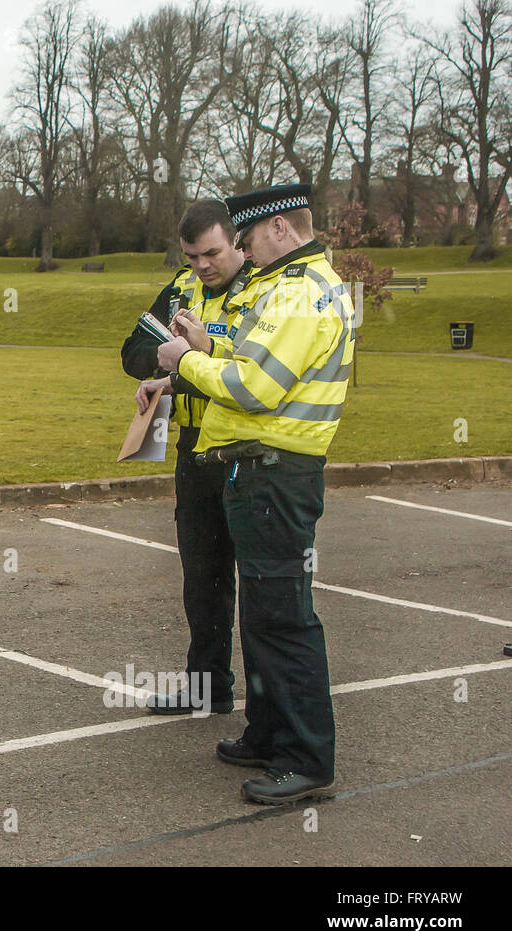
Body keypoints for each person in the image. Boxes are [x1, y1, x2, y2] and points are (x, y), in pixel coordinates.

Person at [156, 183, 354, 804]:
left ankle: (304, 756)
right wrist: (207, 345)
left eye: (246, 239)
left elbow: (255, 388)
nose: (242, 250)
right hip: (261, 470)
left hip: (275, 472)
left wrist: (182, 361)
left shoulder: (298, 291)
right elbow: (250, 363)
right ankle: (269, 734)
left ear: (280, 230)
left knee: (284, 618)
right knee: (265, 616)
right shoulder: (299, 285)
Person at [121, 199, 248, 716]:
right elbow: (131, 352)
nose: (202, 266)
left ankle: (270, 704)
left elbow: (261, 371)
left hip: (244, 451)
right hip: (194, 448)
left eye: (212, 253)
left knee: (260, 583)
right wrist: (167, 351)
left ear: (236, 242)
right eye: (192, 256)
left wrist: (198, 354)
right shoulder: (181, 289)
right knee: (202, 576)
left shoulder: (260, 291)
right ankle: (208, 686)